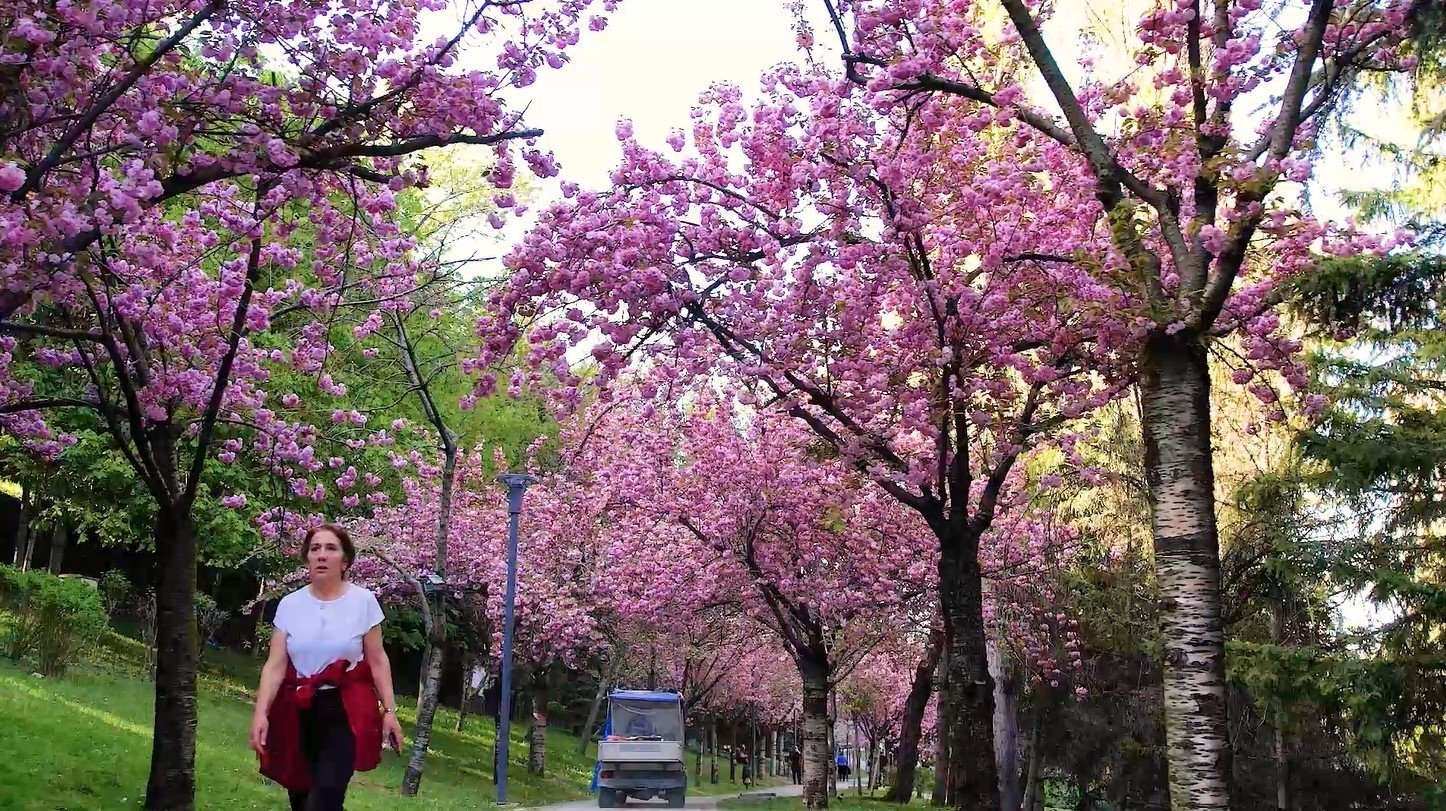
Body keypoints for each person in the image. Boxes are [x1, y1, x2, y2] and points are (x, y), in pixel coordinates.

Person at [250, 524, 405, 811]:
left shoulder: (363, 602)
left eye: (331, 548)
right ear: (307, 558)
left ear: (345, 561)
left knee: (327, 795)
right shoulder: (290, 605)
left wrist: (390, 712)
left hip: (344, 710)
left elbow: (378, 660)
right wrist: (261, 714)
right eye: (315, 549)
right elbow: (275, 665)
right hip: (297, 707)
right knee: (300, 797)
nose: (322, 555)